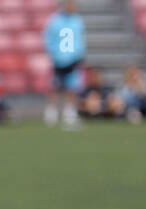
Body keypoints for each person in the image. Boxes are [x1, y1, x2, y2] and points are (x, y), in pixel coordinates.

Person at [43, 0, 85, 128]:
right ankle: (52, 113)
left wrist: (80, 54)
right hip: (58, 59)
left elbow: (80, 39)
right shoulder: (55, 21)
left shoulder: (77, 21)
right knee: (54, 86)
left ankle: (69, 113)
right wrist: (54, 54)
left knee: (72, 87)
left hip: (73, 59)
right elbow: (49, 38)